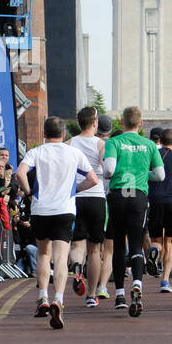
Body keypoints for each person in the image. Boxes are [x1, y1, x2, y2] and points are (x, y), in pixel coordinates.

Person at [16, 117, 99, 329]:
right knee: (61, 257)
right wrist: (75, 191)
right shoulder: (74, 152)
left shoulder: (37, 152)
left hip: (40, 209)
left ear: (44, 134)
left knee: (44, 253)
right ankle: (58, 299)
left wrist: (28, 191)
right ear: (63, 135)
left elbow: (20, 173)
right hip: (65, 209)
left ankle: (42, 296)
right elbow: (93, 179)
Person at [103, 106, 164, 317]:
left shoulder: (114, 142)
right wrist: (143, 174)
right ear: (141, 124)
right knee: (137, 243)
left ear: (121, 122)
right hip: (138, 196)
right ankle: (137, 282)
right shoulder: (149, 144)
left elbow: (109, 170)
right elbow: (161, 175)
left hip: (119, 195)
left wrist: (118, 173)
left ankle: (119, 294)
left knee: (119, 245)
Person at [68, 106, 108, 306]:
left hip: (76, 196)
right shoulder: (101, 143)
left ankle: (76, 266)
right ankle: (91, 295)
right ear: (95, 123)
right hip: (96, 196)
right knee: (95, 250)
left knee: (77, 244)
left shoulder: (70, 143)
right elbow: (106, 165)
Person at [148, 128, 172, 292]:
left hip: (155, 200)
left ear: (160, 141)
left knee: (156, 239)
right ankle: (164, 282)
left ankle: (154, 250)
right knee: (169, 242)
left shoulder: (152, 157)